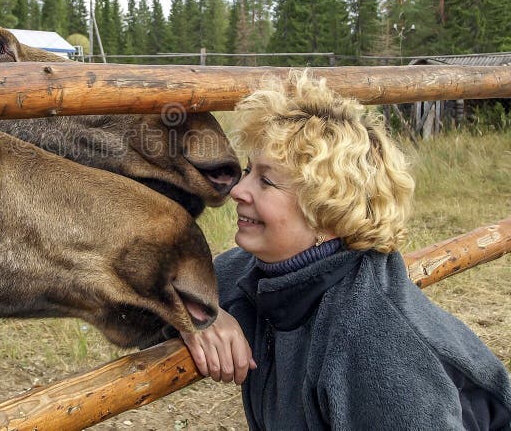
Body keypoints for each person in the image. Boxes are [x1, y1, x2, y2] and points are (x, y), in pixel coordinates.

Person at [181, 71, 511, 429]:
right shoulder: (266, 269)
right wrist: (192, 315)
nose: (237, 191)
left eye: (266, 180)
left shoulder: (378, 347)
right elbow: (162, 283)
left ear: (328, 212)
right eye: (248, 171)